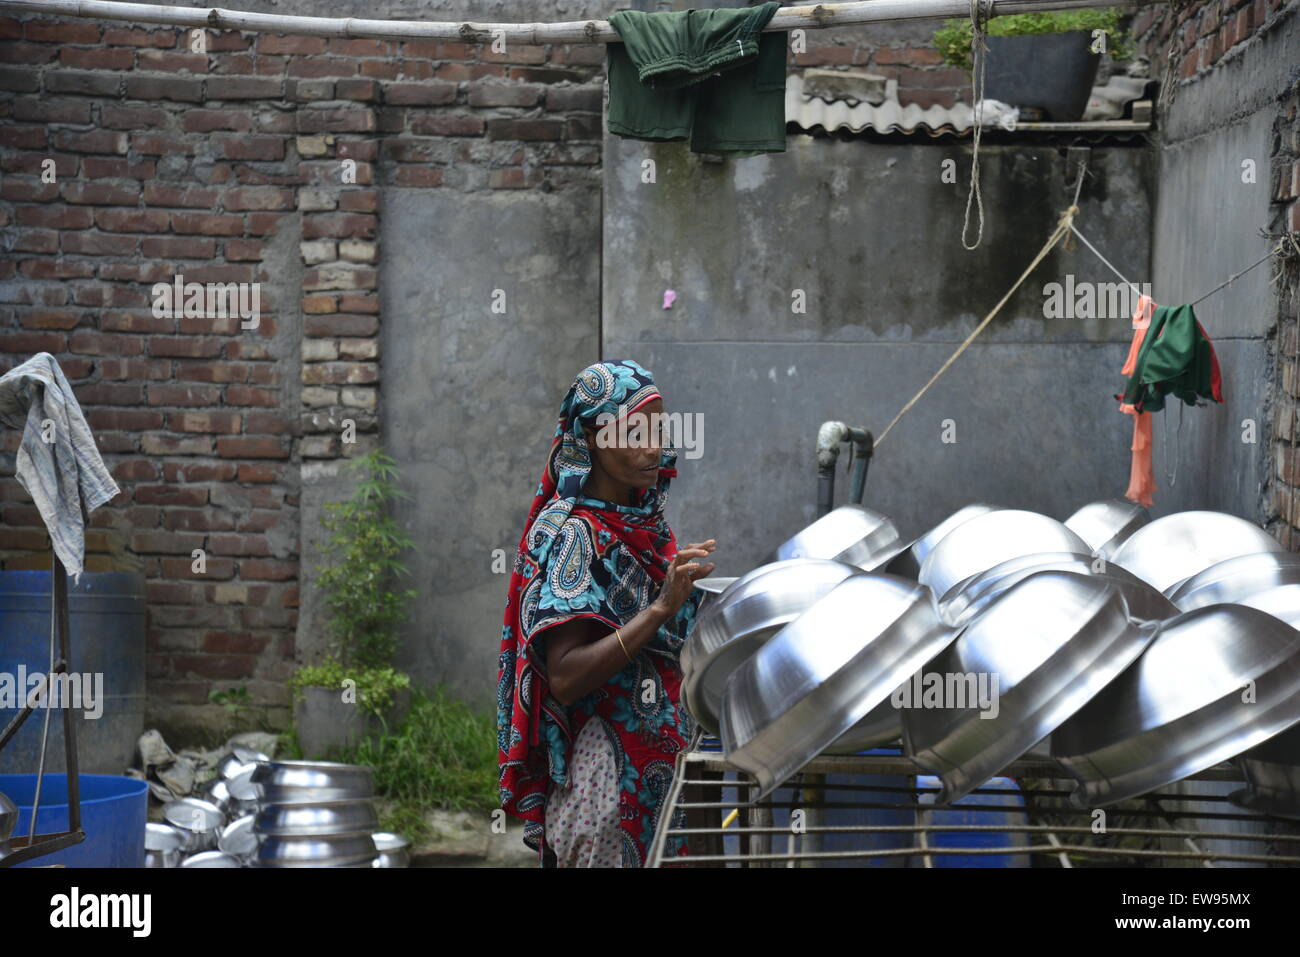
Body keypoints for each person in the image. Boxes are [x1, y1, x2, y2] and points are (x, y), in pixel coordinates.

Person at [497, 359, 716, 867]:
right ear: (592, 438)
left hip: (667, 775)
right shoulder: (574, 534)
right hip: (609, 785)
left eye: (658, 429)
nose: (651, 447)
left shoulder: (646, 526)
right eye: (632, 431)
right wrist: (661, 608)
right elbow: (567, 678)